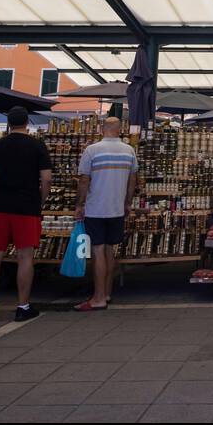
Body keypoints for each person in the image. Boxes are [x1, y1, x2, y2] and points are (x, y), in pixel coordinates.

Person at [0, 107, 51, 322]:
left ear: (9, 123)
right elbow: (46, 178)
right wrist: (41, 199)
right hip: (27, 207)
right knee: (25, 257)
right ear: (27, 122)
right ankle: (23, 305)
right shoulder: (37, 146)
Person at [73, 117, 138, 312]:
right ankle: (107, 292)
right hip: (116, 208)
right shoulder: (129, 151)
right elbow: (132, 180)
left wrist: (79, 204)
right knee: (110, 249)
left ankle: (98, 297)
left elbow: (84, 180)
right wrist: (127, 202)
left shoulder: (92, 150)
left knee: (98, 250)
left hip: (96, 208)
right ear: (120, 129)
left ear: (103, 128)